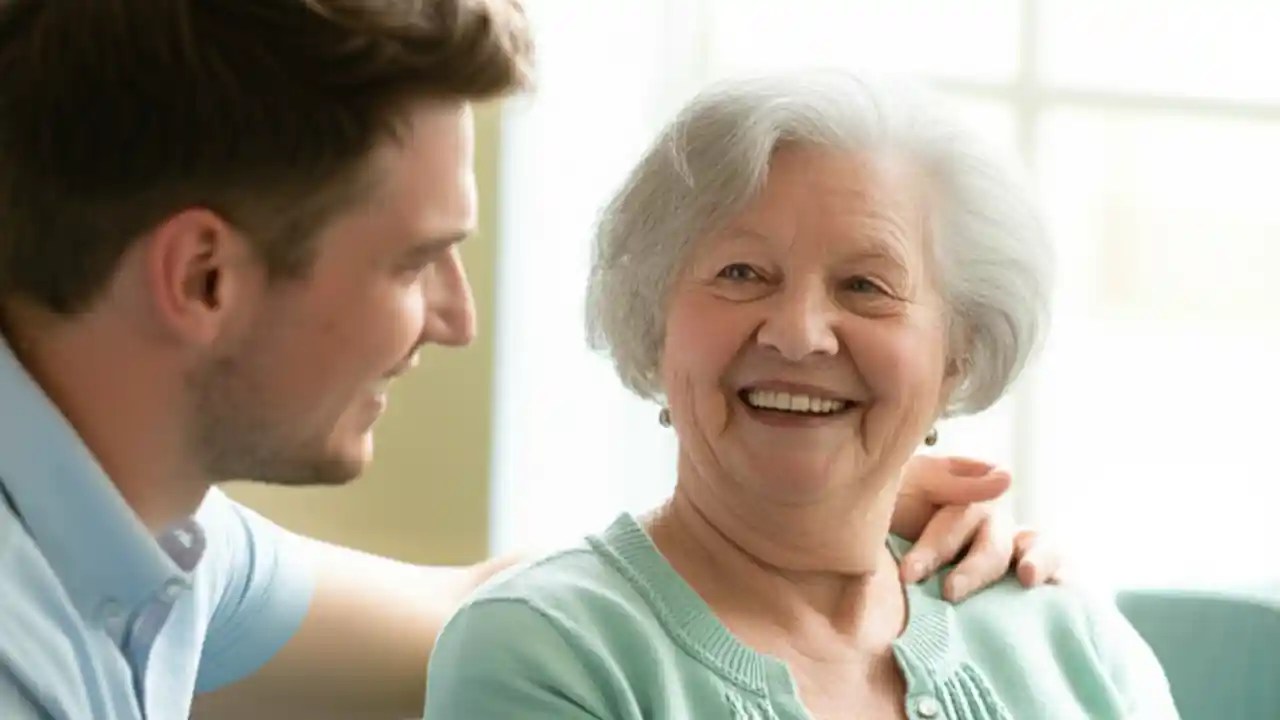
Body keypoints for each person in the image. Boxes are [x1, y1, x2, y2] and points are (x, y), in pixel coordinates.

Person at [0, 3, 1060, 719]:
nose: (454, 318)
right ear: (201, 279)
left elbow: (499, 601)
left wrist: (833, 509)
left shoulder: (151, 551)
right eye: (415, 261)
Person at [423, 71, 1178, 719]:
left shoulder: (1068, 632)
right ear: (655, 325)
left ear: (959, 353)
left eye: (866, 286)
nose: (798, 333)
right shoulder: (546, 648)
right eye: (742, 273)